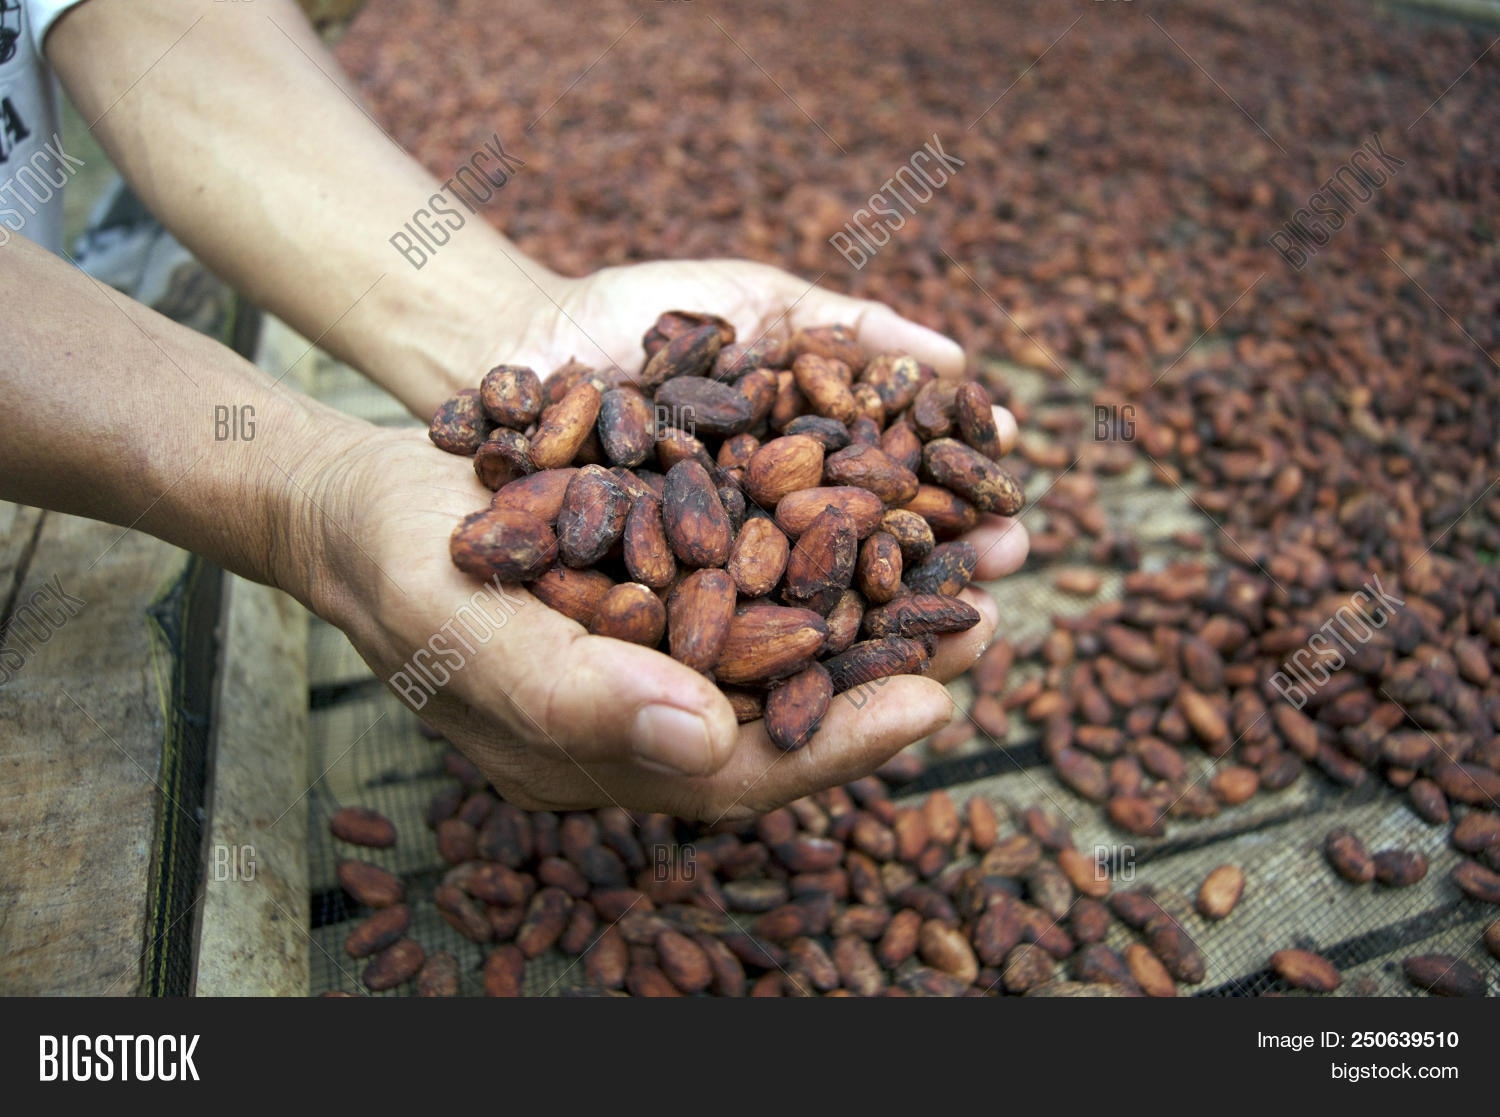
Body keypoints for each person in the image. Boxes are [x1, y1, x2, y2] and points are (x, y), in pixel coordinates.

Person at [0, 0, 1028, 819]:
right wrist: (308, 495)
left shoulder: (746, 480)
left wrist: (499, 316)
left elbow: (147, 23)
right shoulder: (695, 516)